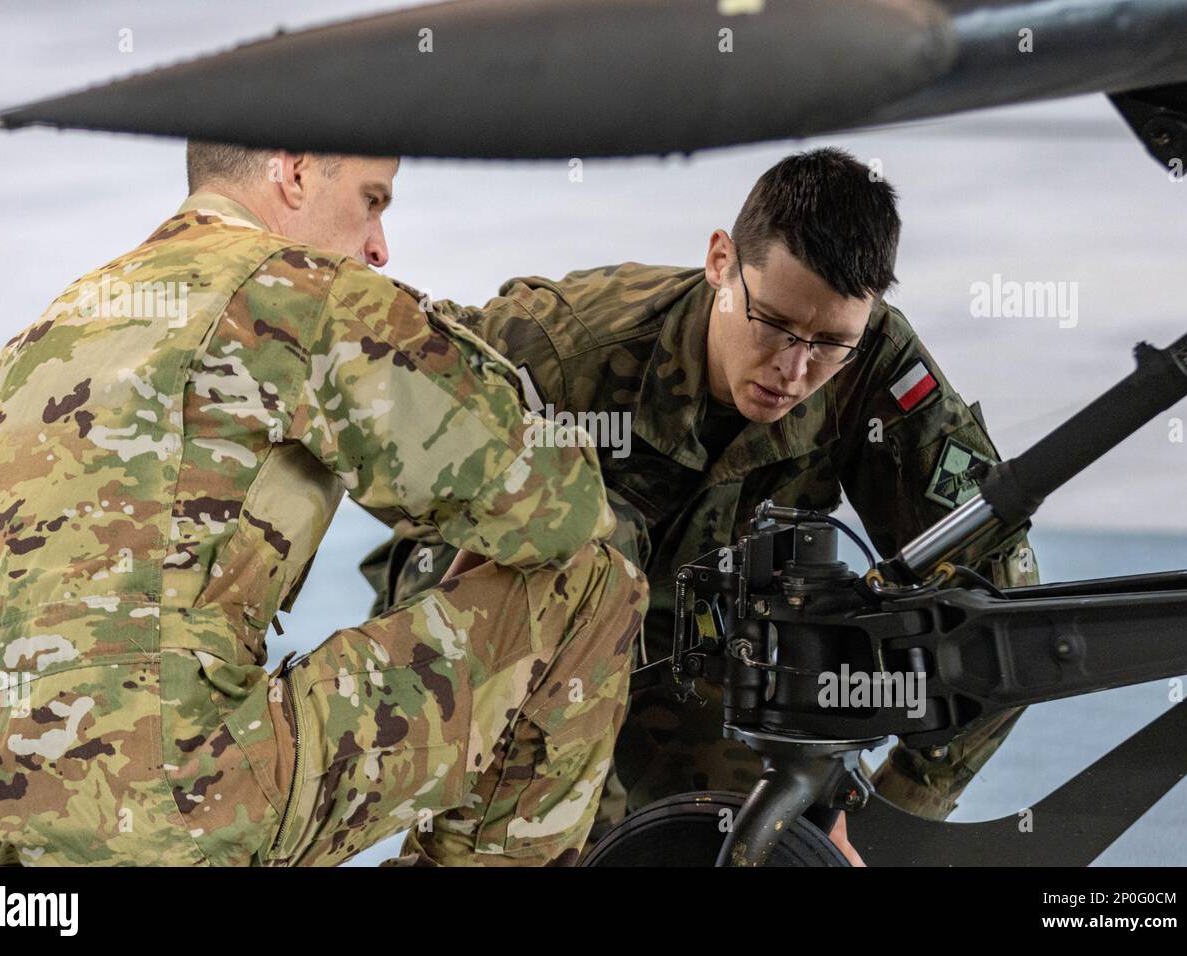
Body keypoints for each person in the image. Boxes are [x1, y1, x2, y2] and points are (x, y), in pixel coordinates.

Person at [0, 142, 646, 866]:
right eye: (372, 200)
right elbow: (559, 507)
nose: (379, 246)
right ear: (294, 170)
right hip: (179, 809)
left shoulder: (44, 332)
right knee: (590, 580)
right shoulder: (297, 289)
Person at [360, 148, 1040, 859]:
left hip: (703, 653)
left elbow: (997, 595)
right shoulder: (564, 345)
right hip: (519, 637)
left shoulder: (872, 365)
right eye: (773, 323)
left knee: (767, 843)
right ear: (721, 261)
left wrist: (889, 823)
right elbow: (376, 404)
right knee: (551, 840)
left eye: (829, 343)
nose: (794, 369)